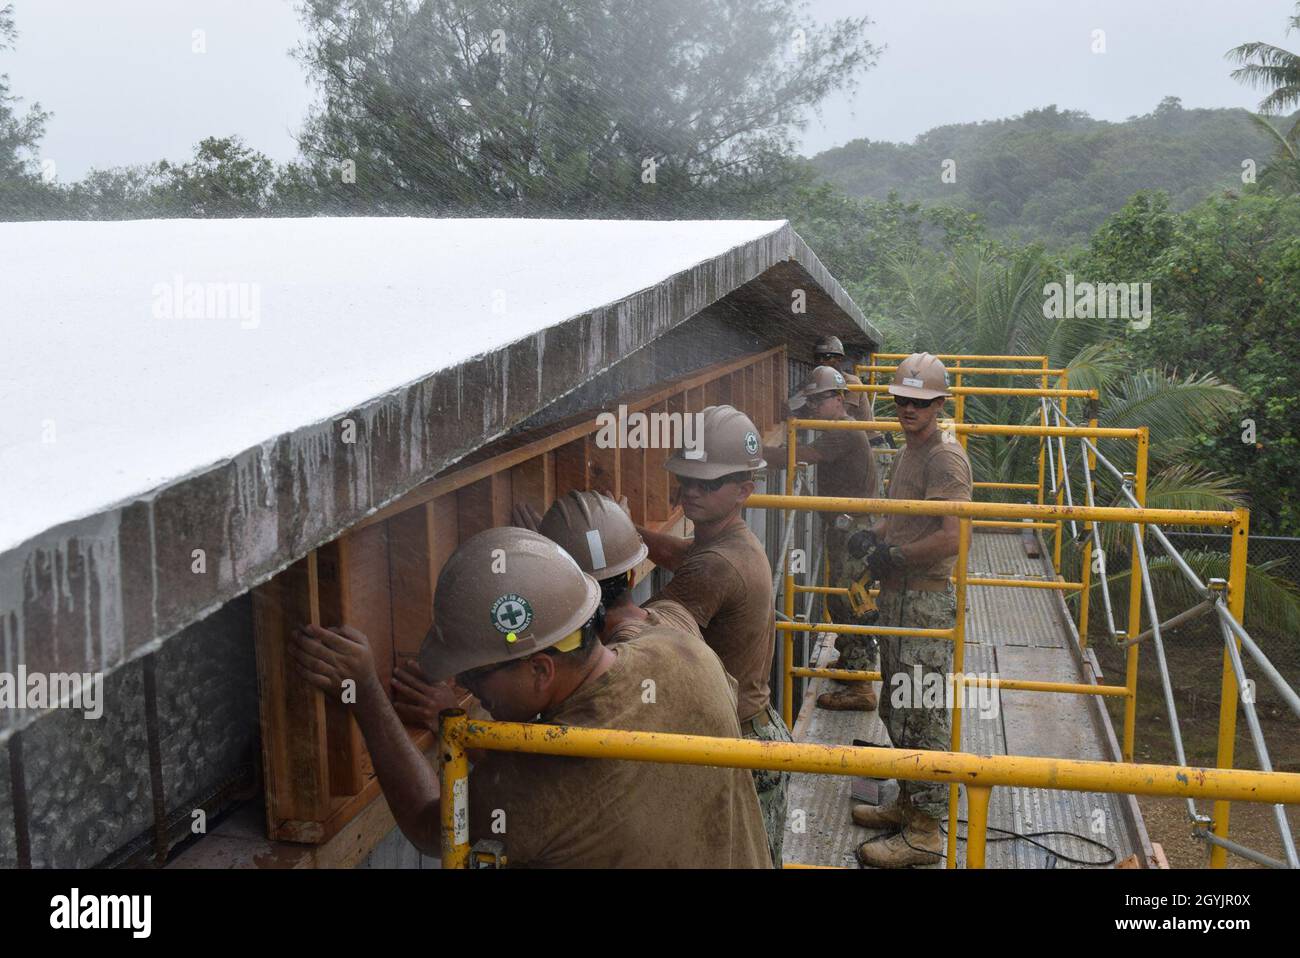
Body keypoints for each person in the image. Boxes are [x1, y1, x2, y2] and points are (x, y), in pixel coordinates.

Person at [288, 526, 772, 868]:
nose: (470, 691)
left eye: (476, 677)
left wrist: (366, 696)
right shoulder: (678, 643)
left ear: (541, 668)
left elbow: (427, 825)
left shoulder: (538, 783)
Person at [636, 404, 793, 868]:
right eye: (686, 479)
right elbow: (683, 552)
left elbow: (633, 640)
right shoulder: (732, 543)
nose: (691, 491)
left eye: (708, 483)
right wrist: (629, 533)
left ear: (744, 490)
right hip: (752, 733)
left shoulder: (716, 566)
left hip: (735, 747)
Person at [848, 352, 972, 869]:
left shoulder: (945, 458)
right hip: (899, 595)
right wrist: (872, 536)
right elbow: (904, 519)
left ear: (939, 403)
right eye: (902, 400)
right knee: (896, 706)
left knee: (922, 711)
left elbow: (951, 536)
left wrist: (894, 555)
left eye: (919, 402)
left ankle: (926, 831)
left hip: (923, 598)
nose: (908, 409)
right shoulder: (909, 451)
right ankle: (908, 802)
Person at [763, 366, 879, 712]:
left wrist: (751, 449)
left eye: (819, 400)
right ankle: (850, 663)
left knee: (851, 600)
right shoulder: (833, 425)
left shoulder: (842, 431)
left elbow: (800, 456)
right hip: (847, 527)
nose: (813, 408)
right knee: (841, 599)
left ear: (839, 399)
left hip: (854, 531)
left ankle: (861, 687)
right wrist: (791, 411)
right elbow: (804, 421)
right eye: (810, 402)